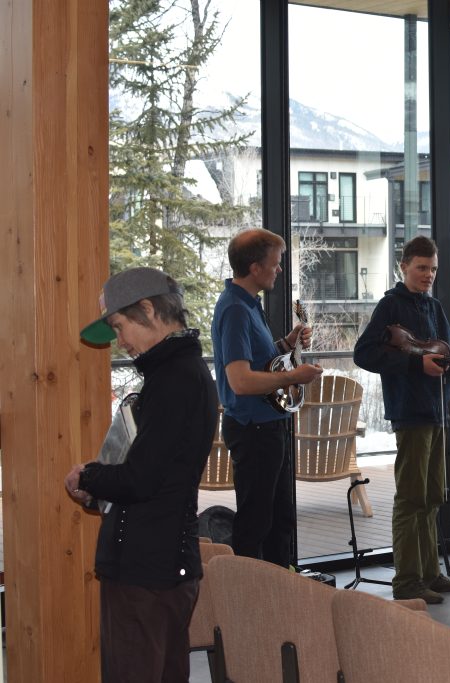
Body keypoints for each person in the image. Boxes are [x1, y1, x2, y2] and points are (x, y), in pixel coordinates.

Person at [65, 267, 218, 682]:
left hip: (146, 568)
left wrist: (88, 477)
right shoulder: (183, 372)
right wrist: (99, 487)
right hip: (164, 562)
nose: (120, 341)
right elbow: (156, 473)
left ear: (148, 310)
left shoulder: (173, 380)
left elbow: (141, 480)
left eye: (119, 326)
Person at [353, 235, 450, 604]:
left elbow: (444, 360)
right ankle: (407, 582)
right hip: (409, 412)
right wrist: (414, 363)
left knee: (433, 496)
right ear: (404, 266)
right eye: (422, 268)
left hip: (437, 413)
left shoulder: (435, 307)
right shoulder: (390, 306)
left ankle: (429, 573)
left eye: (433, 269)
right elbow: (364, 354)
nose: (428, 274)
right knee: (411, 498)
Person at [211, 228, 323, 567]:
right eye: (275, 264)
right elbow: (241, 381)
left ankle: (278, 590)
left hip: (267, 426)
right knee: (257, 524)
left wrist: (287, 342)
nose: (279, 270)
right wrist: (293, 377)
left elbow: (259, 360)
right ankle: (250, 592)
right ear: (255, 268)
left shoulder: (247, 304)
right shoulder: (235, 309)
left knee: (278, 522)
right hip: (254, 429)